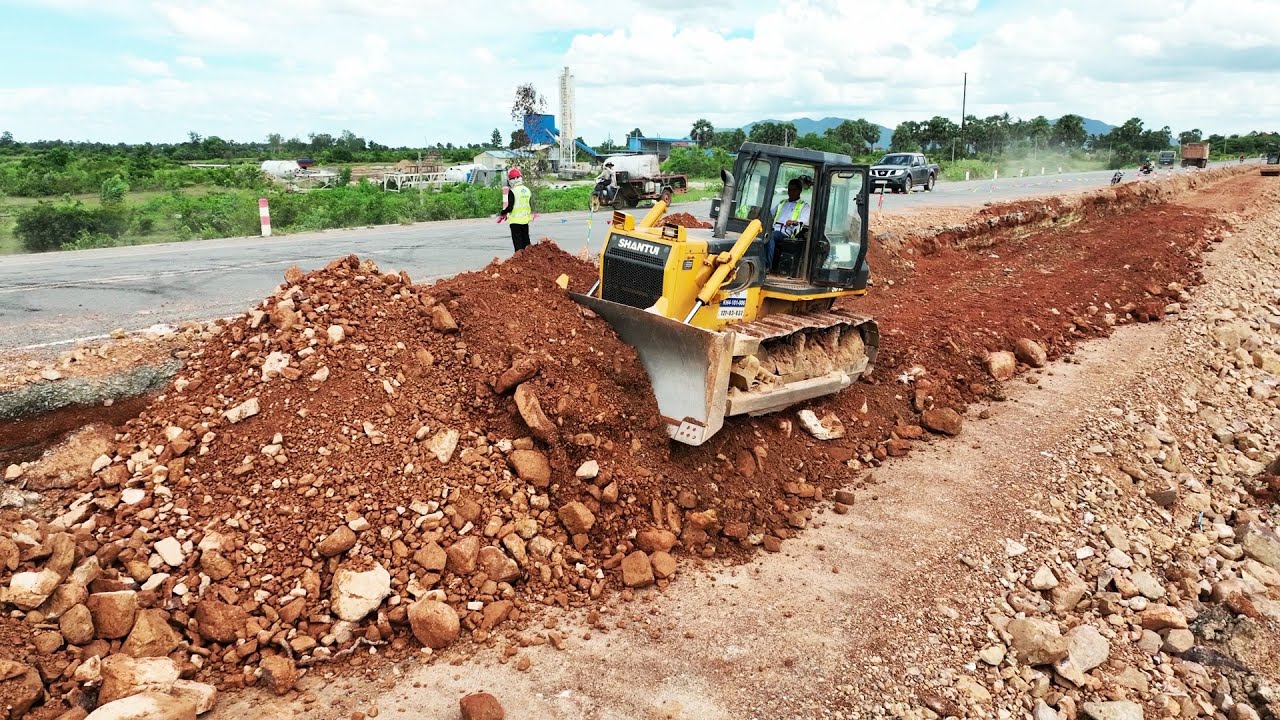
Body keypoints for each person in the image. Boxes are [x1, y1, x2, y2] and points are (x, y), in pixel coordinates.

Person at [766, 178, 809, 269]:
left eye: (794, 190)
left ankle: (767, 266)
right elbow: (770, 214)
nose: (791, 192)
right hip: (774, 229)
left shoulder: (804, 206)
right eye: (789, 190)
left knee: (770, 236)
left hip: (787, 233)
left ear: (799, 191)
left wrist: (794, 222)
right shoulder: (782, 203)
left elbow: (803, 221)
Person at [500, 167, 532, 252]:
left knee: (518, 243)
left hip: (515, 221)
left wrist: (502, 212)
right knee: (526, 240)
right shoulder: (527, 190)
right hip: (525, 220)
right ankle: (529, 257)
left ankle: (519, 260)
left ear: (511, 180)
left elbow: (510, 207)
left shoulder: (513, 191)